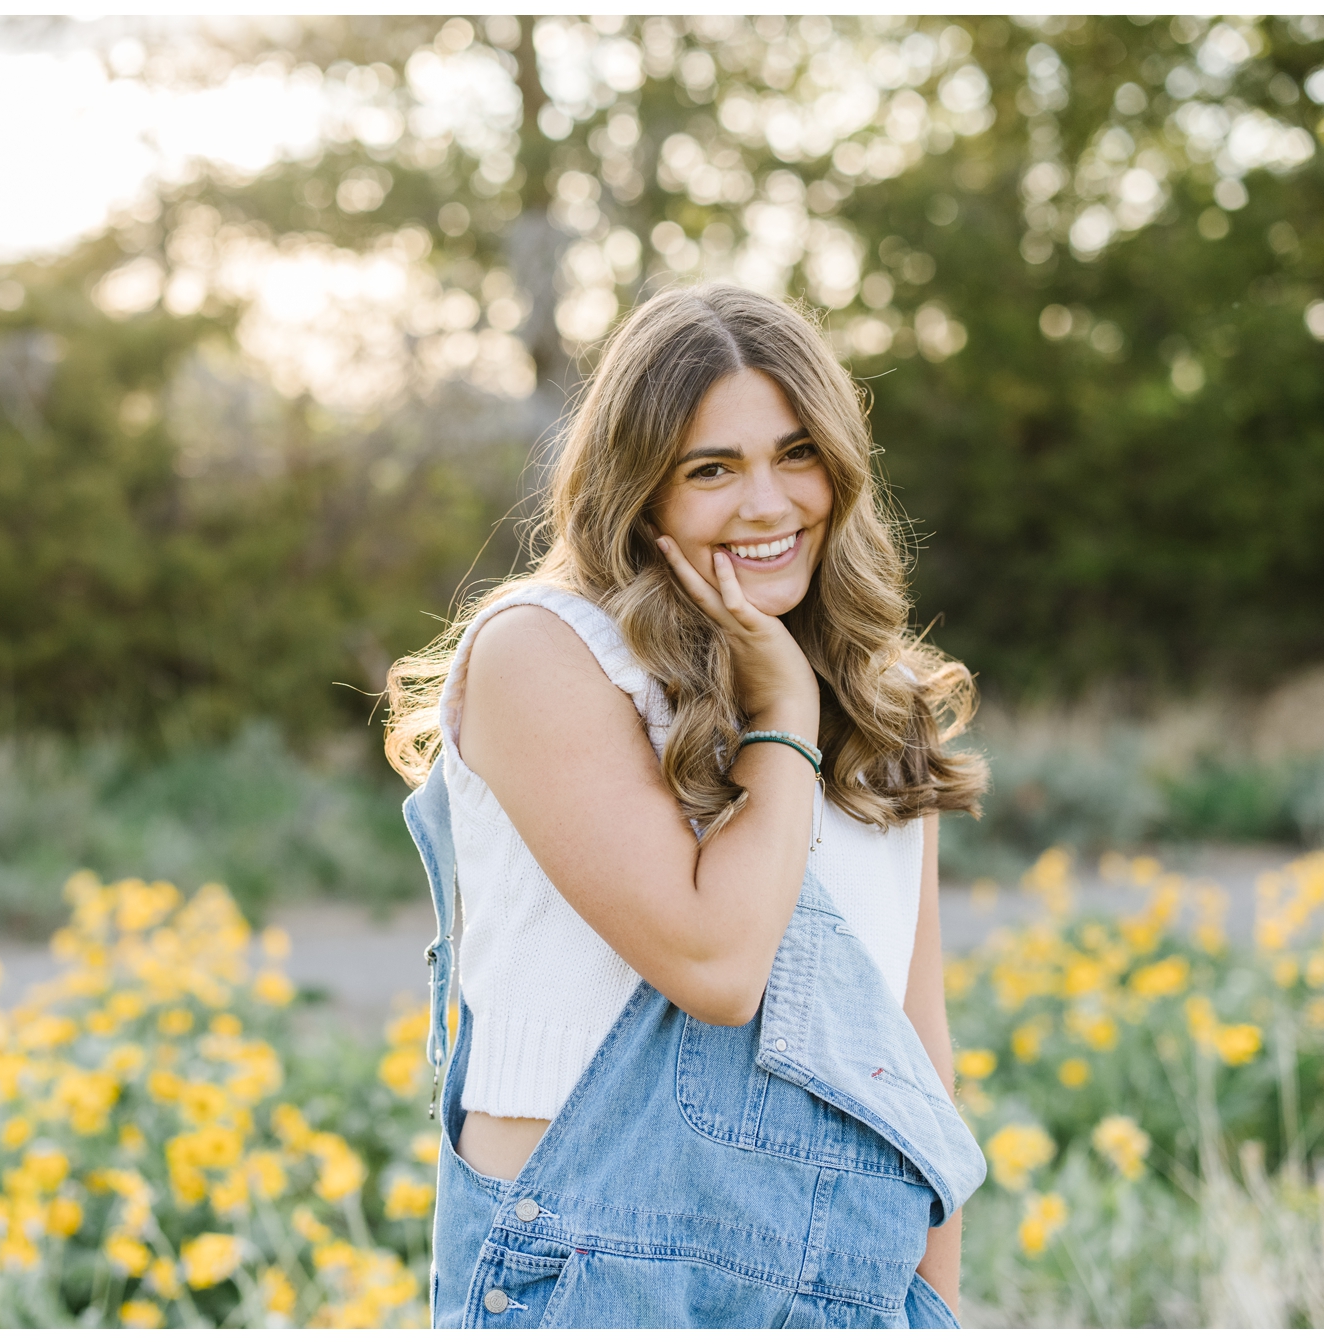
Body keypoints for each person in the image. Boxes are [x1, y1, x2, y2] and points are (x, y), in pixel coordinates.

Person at [385, 284, 991, 1328]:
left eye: (797, 454)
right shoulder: (548, 653)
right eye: (711, 469)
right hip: (598, 1273)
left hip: (851, 1286)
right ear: (640, 490)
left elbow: (913, 1060)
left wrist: (932, 1306)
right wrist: (782, 717)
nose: (767, 504)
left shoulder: (883, 699)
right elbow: (717, 965)